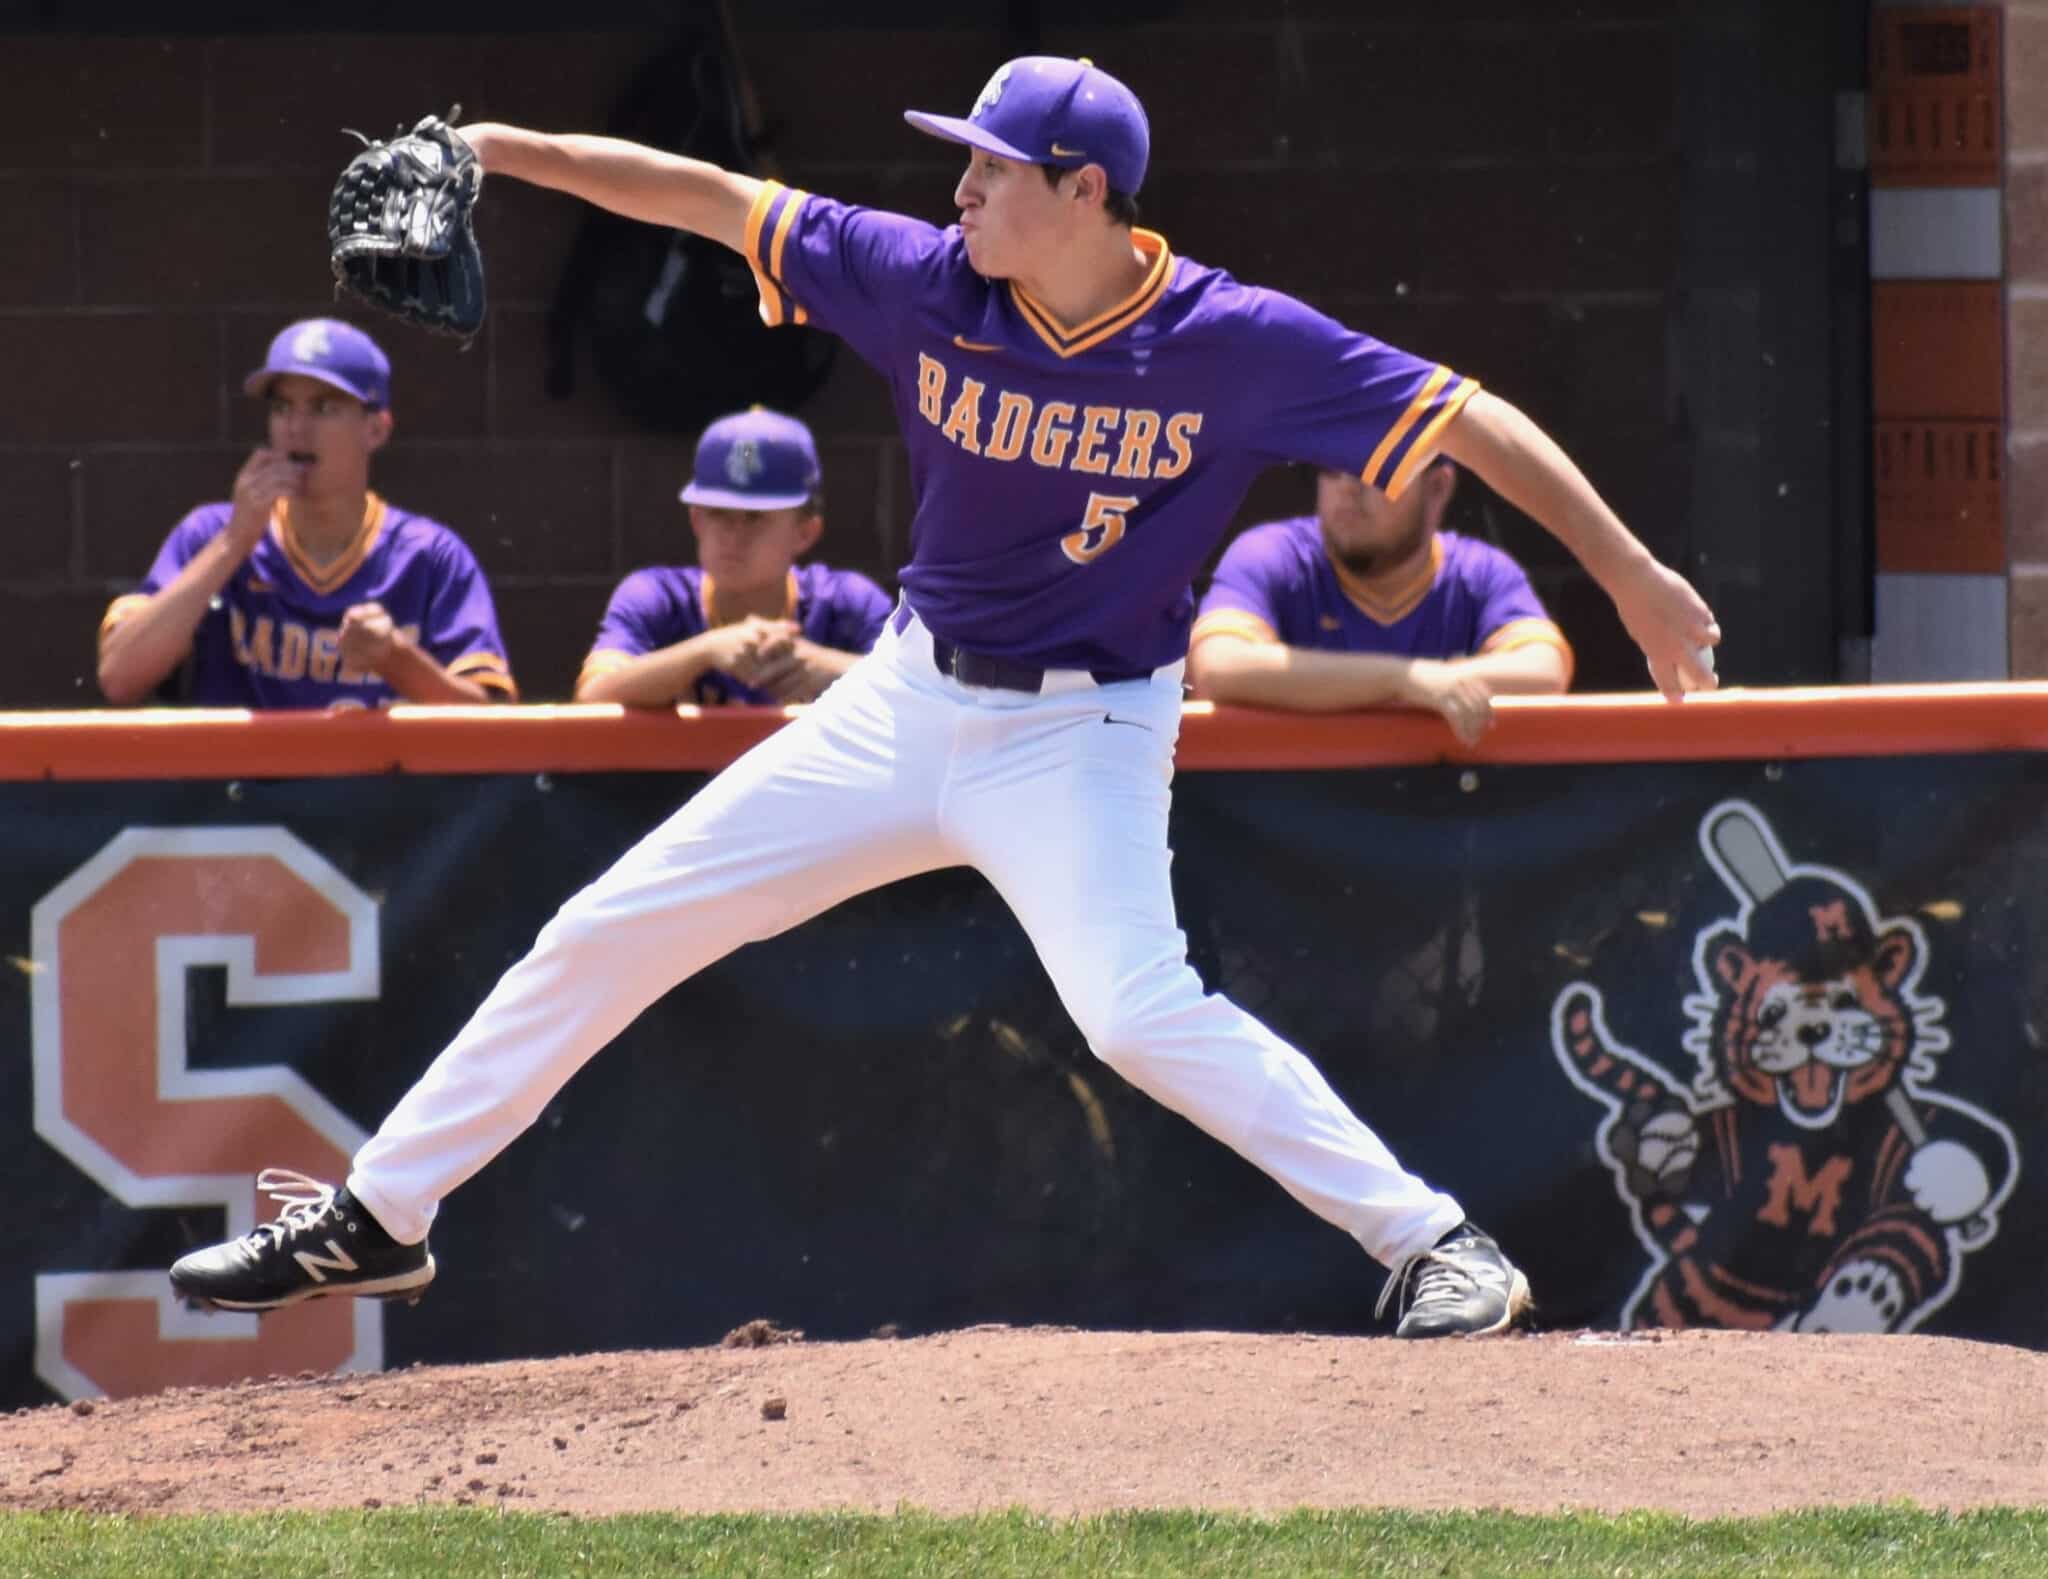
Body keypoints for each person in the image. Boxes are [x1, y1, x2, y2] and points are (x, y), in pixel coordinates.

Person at [170, 56, 1720, 1338]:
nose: (959, 187)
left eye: (990, 165)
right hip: (903, 702)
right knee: (611, 924)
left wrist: (1635, 576)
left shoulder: (1232, 342)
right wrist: (490, 147)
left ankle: (1435, 1239)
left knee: (1135, 1014)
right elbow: (700, 195)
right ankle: (381, 1215)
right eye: (962, 162)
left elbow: (1474, 419)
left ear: (1084, 192)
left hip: (1086, 732)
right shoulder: (923, 278)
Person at [97, 318, 517, 708]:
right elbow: (119, 678)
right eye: (282, 407)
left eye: (323, 408)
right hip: (243, 769)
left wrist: (397, 660)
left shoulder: (431, 556)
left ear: (375, 429)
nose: (296, 428)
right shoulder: (211, 533)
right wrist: (233, 543)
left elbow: (491, 731)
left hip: (378, 769)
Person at [1189, 457, 1572, 744]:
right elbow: (1219, 667)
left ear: (1436, 488)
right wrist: (1407, 681)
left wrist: (1422, 683)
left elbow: (1544, 671)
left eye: (1375, 469)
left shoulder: (1480, 572)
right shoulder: (1275, 555)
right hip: (1292, 813)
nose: (1347, 487)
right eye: (1331, 468)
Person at [575, 408, 892, 707]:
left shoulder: (849, 603)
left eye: (755, 517)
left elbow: (920, 694)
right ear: (696, 521)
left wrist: (834, 669)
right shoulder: (656, 597)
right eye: (718, 513)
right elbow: (592, 696)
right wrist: (703, 652)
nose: (733, 536)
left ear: (805, 532)